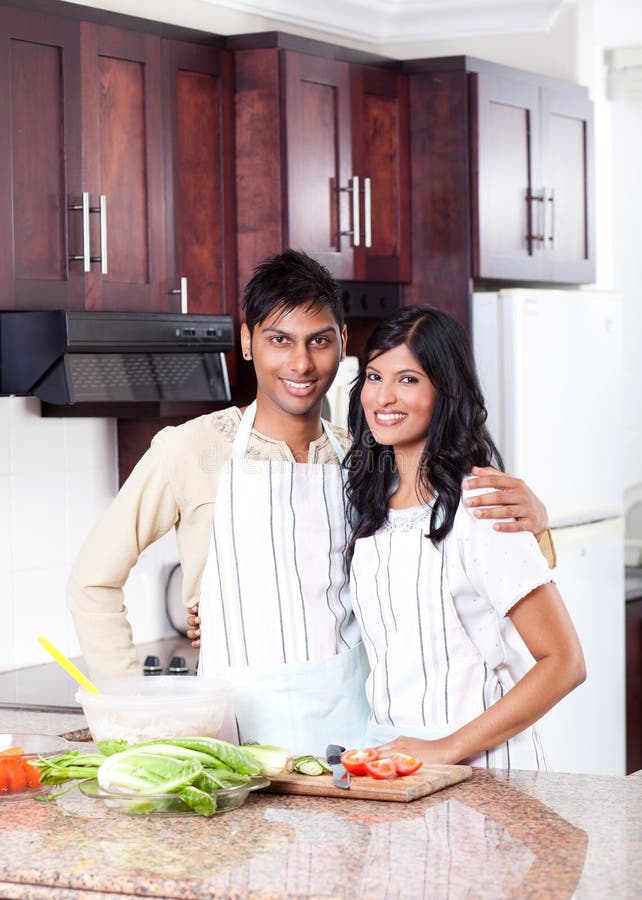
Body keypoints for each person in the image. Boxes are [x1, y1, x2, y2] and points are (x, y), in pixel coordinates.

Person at [67, 250, 552, 754]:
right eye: (280, 340)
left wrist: (537, 523)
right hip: (236, 742)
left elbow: (433, 569)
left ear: (342, 344)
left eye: (318, 341)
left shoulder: (368, 458)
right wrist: (133, 716)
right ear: (247, 342)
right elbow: (92, 581)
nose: (300, 363)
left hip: (357, 738)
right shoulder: (191, 449)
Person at [343, 305, 586, 769]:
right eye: (374, 377)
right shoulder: (370, 505)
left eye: (409, 380)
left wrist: (447, 748)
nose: (384, 397)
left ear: (446, 392)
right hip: (396, 762)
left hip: (482, 769)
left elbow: (565, 661)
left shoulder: (482, 507)